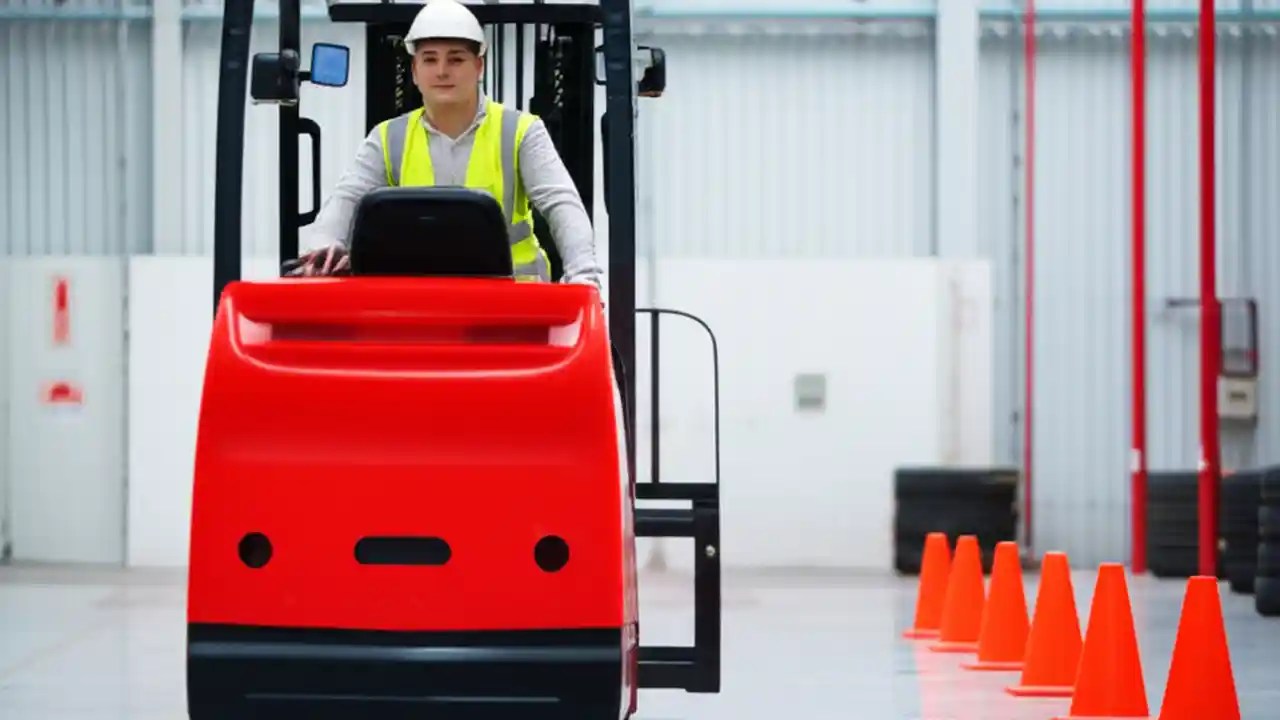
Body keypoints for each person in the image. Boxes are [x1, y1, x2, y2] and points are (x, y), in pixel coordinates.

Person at [293, 0, 603, 291]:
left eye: (455, 59)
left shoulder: (521, 131)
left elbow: (561, 202)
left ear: (478, 67)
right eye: (430, 59)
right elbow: (347, 198)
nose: (442, 71)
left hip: (511, 306)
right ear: (414, 71)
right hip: (420, 305)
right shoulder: (388, 138)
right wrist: (322, 246)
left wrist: (583, 274)